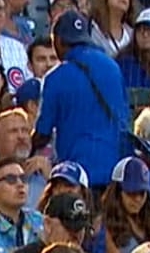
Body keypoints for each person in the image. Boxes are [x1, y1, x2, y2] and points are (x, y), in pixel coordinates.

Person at [35, 11, 128, 190]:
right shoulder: (112, 67)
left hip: (77, 173)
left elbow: (42, 133)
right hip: (115, 168)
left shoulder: (56, 77)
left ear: (58, 41)